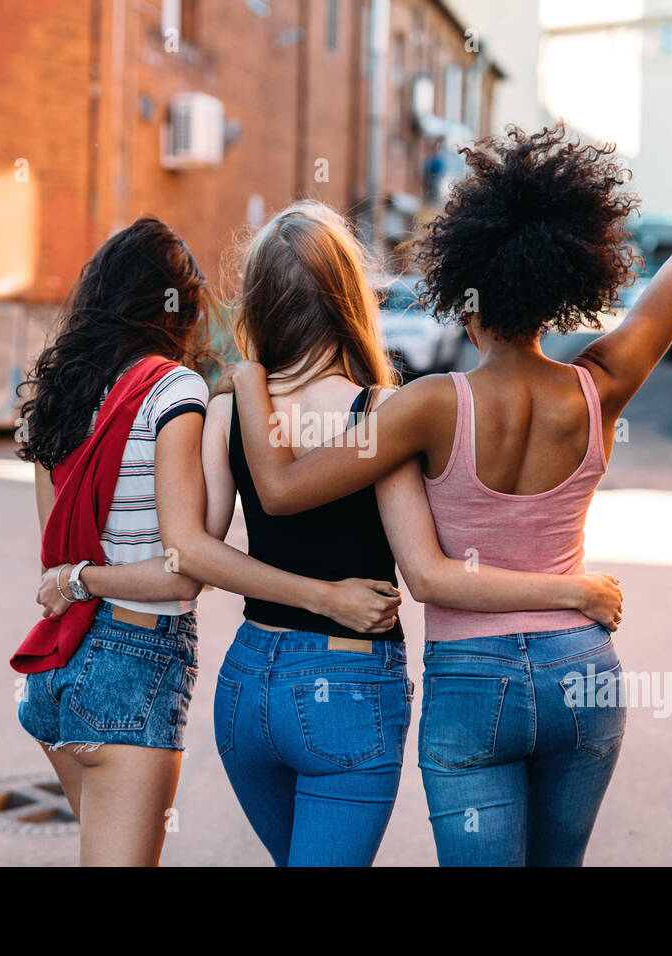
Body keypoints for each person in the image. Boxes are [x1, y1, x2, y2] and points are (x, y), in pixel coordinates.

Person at [228, 72, 672, 865]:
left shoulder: (428, 407)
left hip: (473, 688)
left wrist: (245, 377)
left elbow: (279, 488)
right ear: (561, 291)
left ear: (464, 297)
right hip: (581, 669)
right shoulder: (600, 387)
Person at [204, 200, 624, 866]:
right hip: (345, 682)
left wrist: (248, 380)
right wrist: (572, 591)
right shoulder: (383, 413)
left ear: (256, 302)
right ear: (350, 298)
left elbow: (196, 552)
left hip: (245, 679)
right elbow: (425, 571)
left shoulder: (228, 407)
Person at [12, 217, 399, 866]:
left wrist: (76, 579)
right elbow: (181, 566)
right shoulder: (175, 390)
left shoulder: (58, 398)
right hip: (133, 666)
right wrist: (327, 596)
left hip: (58, 676)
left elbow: (57, 563)